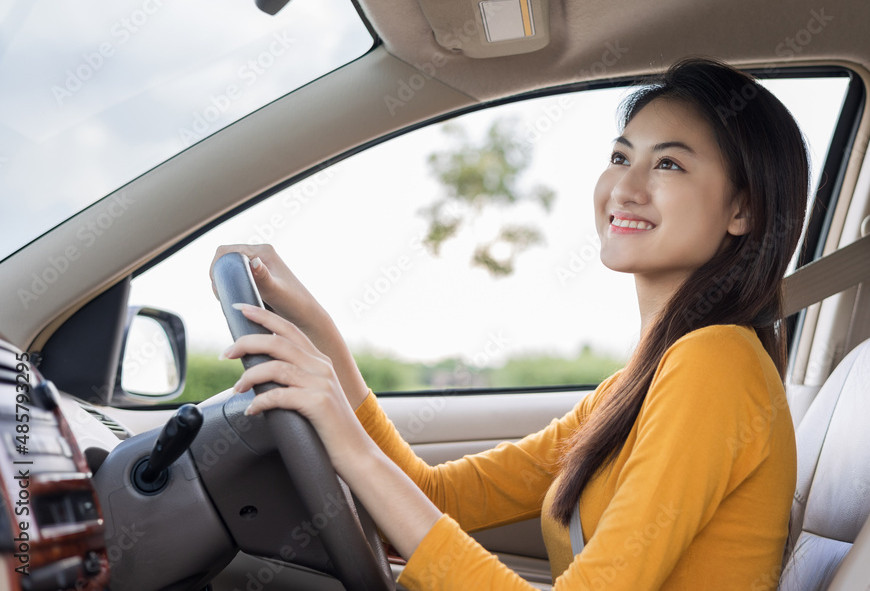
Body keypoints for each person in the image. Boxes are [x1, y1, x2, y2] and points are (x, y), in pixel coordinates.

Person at [211, 56, 808, 590]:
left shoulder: (717, 364)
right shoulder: (637, 385)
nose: (624, 188)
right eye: (620, 156)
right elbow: (437, 497)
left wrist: (347, 442)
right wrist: (321, 332)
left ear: (743, 208)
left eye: (669, 164)